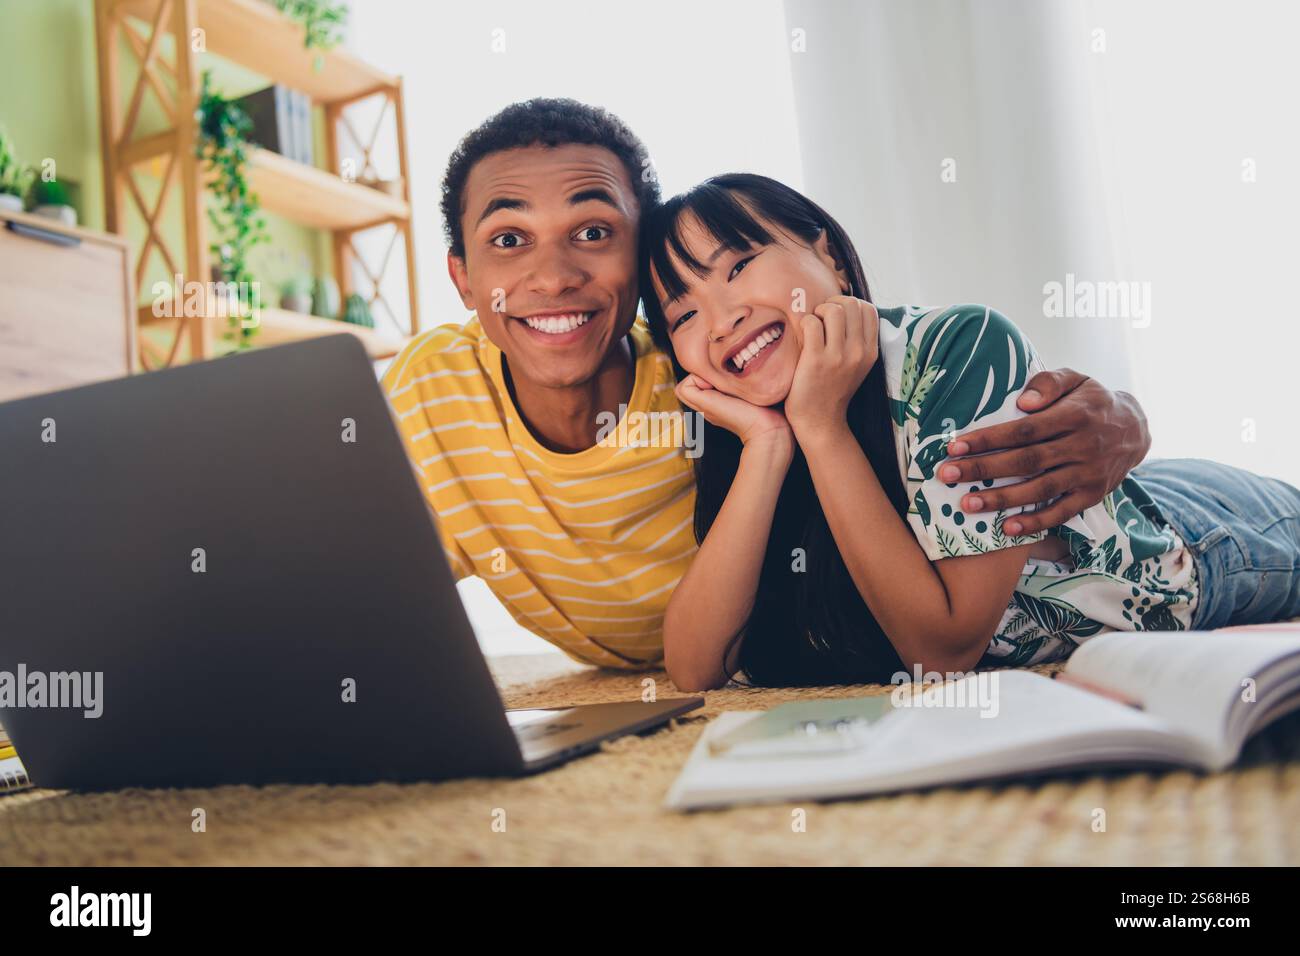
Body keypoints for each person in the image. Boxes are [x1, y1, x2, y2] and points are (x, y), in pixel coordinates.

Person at [381, 98, 1155, 670]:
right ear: (462, 276)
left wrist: (1123, 413)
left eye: (593, 232)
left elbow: (944, 640)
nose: (553, 276)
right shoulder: (723, 395)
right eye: (509, 240)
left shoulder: (702, 381)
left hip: (1168, 540)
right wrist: (777, 438)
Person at [639, 172, 1300, 690]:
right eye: (684, 313)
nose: (722, 318)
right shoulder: (748, 434)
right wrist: (769, 446)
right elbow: (695, 668)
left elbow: (943, 648)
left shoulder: (958, 348)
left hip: (1196, 538)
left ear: (829, 255)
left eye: (736, 267)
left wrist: (820, 426)